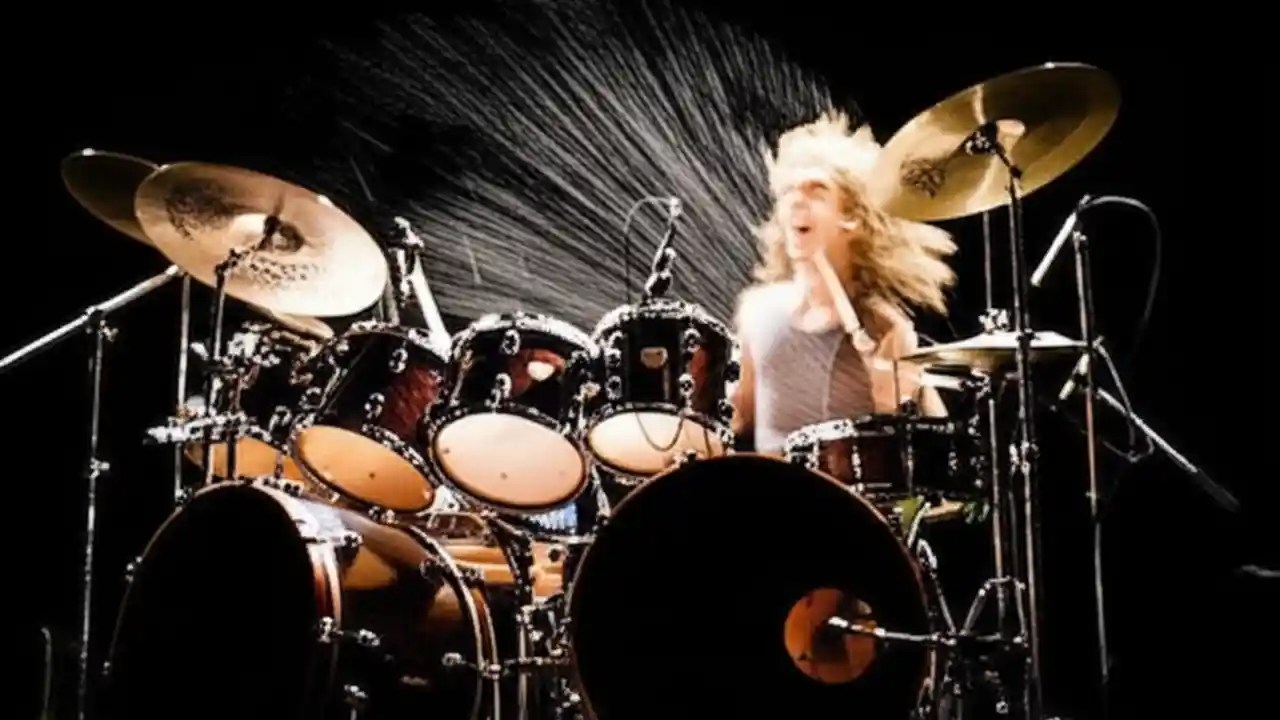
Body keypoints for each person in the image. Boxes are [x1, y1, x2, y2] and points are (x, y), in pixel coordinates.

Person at [731, 110, 958, 456]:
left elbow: (942, 449)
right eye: (789, 190)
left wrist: (900, 408)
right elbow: (736, 421)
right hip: (766, 496)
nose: (796, 200)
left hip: (842, 504)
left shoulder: (884, 327)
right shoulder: (757, 311)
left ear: (851, 218)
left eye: (816, 190)